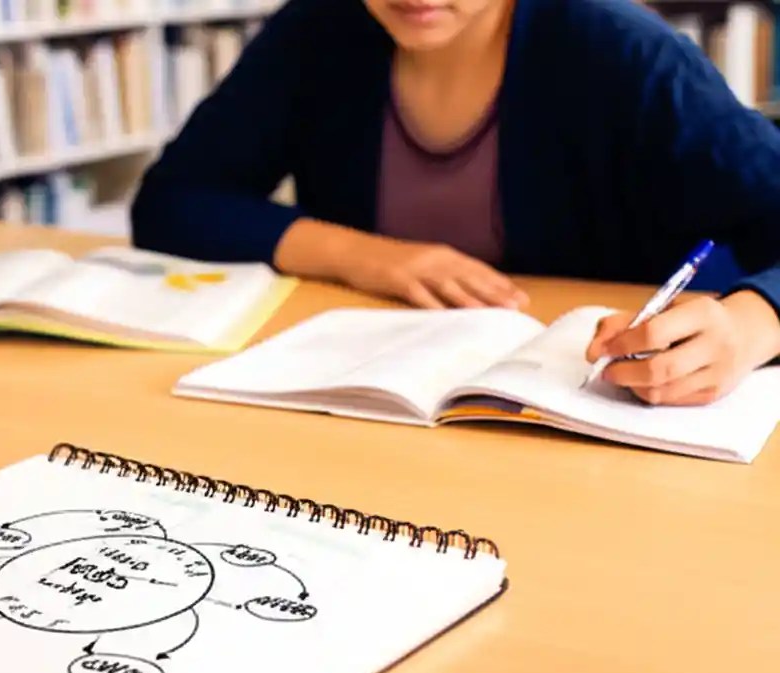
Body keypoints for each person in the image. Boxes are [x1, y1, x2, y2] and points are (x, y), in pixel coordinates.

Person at [129, 0, 780, 407]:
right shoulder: (317, 29)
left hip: (583, 414)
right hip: (366, 404)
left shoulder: (623, 49)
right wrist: (363, 256)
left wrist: (756, 324)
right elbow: (173, 199)